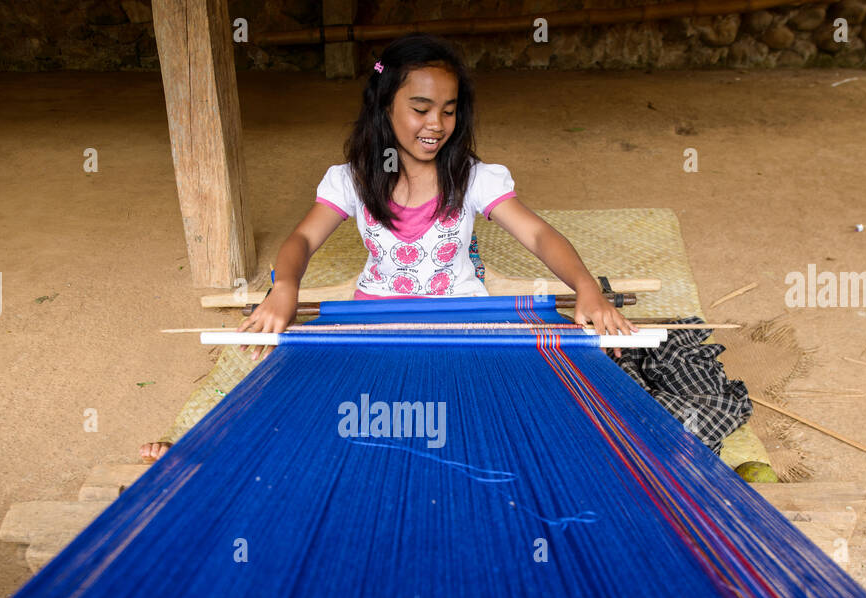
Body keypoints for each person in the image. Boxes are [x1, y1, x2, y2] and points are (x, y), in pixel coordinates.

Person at [140, 33, 635, 463]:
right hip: (372, 322)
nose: (436, 124)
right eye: (420, 109)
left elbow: (539, 235)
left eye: (448, 109)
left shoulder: (474, 178)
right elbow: (301, 239)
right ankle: (209, 455)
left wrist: (587, 289)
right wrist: (284, 287)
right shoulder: (352, 180)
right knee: (312, 401)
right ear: (384, 107)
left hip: (463, 322)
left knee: (507, 411)